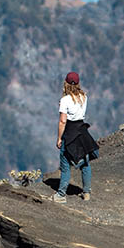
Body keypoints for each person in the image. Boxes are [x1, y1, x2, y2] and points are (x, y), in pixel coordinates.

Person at [52, 71, 98, 204]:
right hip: (82, 133)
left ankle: (61, 194)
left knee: (65, 164)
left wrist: (59, 138)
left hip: (70, 133)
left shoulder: (65, 100)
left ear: (65, 83)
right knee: (85, 163)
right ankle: (86, 192)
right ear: (78, 83)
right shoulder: (84, 97)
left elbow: (62, 121)